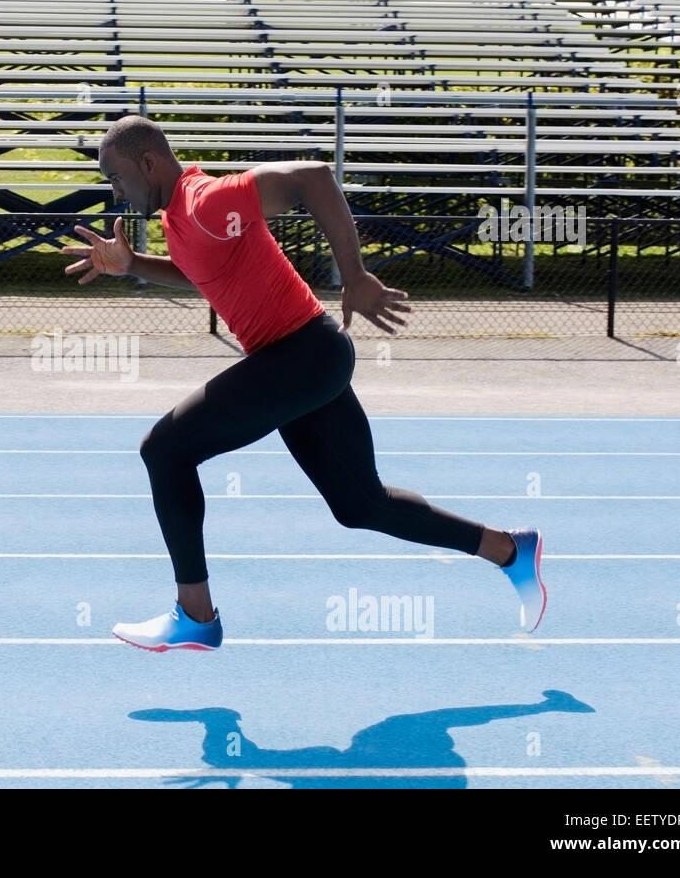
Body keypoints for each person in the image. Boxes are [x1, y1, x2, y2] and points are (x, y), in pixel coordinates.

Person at [63, 115, 545, 651]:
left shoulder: (205, 201)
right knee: (361, 505)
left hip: (303, 355)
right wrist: (131, 264)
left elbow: (314, 177)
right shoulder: (182, 219)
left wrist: (355, 274)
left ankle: (195, 613)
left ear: (148, 162)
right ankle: (509, 550)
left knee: (165, 450)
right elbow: (198, 269)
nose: (115, 192)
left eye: (116, 177)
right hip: (304, 362)